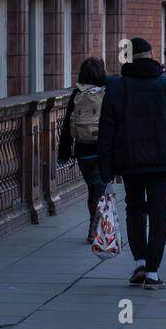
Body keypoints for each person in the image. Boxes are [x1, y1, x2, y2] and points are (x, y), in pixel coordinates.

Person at [97, 36, 166, 292]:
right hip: (164, 163)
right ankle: (153, 273)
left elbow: (106, 132)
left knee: (134, 210)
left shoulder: (117, 89)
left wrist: (106, 171)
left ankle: (140, 262)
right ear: (152, 54)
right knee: (158, 214)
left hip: (130, 162)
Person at [58, 57, 110, 243]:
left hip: (82, 151)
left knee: (93, 189)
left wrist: (64, 153)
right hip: (103, 149)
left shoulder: (77, 94)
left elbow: (66, 125)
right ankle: (93, 229)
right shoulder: (108, 92)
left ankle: (95, 225)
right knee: (99, 190)